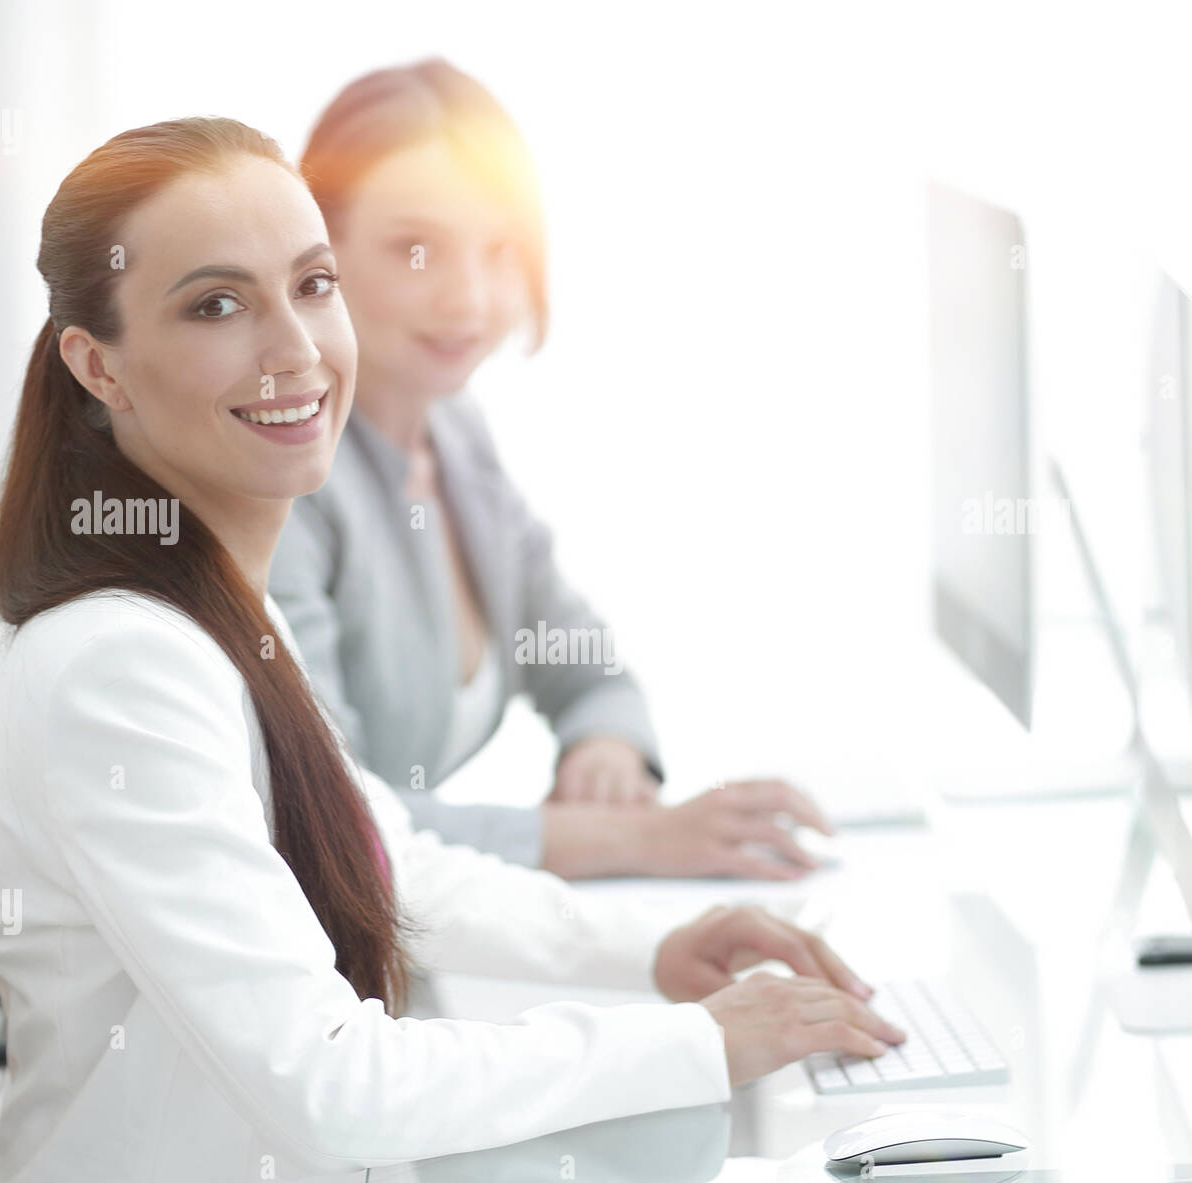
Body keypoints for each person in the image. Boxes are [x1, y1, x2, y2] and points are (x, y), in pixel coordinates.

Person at [0, 117, 901, 1183]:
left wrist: (654, 951)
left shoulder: (214, 605)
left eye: (314, 284)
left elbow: (386, 868)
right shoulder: (119, 667)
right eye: (215, 307)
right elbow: (333, 1081)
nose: (293, 348)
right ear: (99, 366)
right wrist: (702, 1042)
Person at [269, 59, 834, 879]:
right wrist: (634, 841)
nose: (469, 299)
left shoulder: (455, 435)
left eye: (500, 249)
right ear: (319, 253)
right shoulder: (284, 483)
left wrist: (608, 745)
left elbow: (588, 667)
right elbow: (336, 822)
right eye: (416, 249)